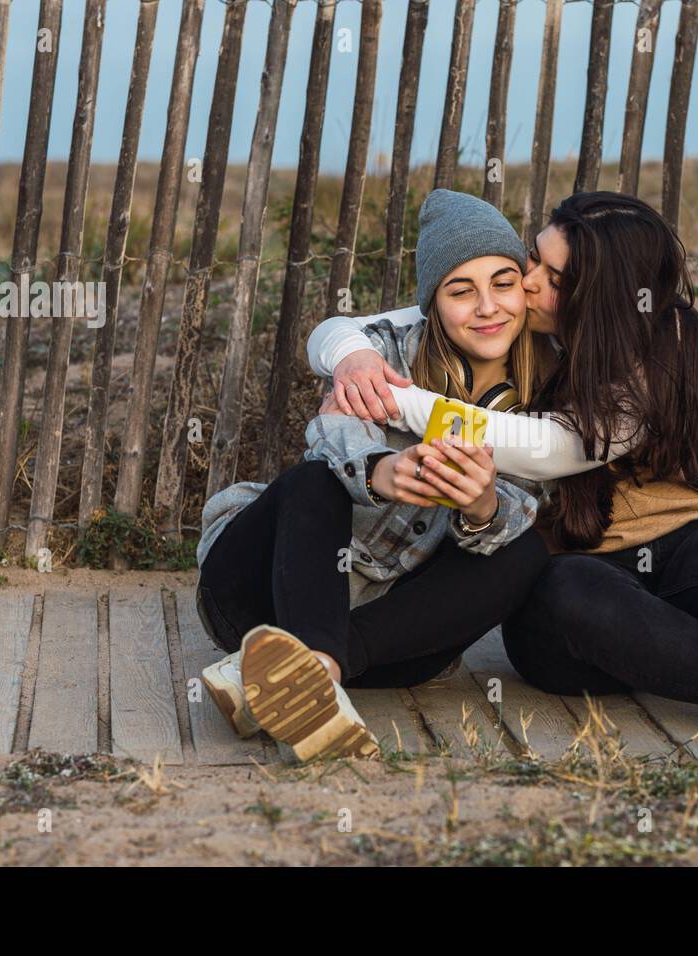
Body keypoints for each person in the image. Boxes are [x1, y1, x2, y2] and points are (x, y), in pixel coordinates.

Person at [306, 191, 698, 769]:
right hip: (575, 617)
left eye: (553, 279)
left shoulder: (663, 349)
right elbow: (353, 327)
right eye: (534, 260)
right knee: (564, 585)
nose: (526, 283)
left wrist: (396, 401)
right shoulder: (508, 317)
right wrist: (354, 358)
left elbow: (549, 448)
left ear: (601, 296)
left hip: (689, 574)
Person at [193, 189, 548, 762]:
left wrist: (482, 508)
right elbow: (330, 431)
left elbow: (529, 502)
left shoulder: (545, 396)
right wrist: (381, 471)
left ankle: (303, 675)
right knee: (314, 481)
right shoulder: (386, 351)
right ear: (432, 303)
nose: (487, 307)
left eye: (503, 283)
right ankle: (314, 668)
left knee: (527, 552)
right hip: (258, 594)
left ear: (523, 289)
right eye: (461, 291)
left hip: (390, 638)